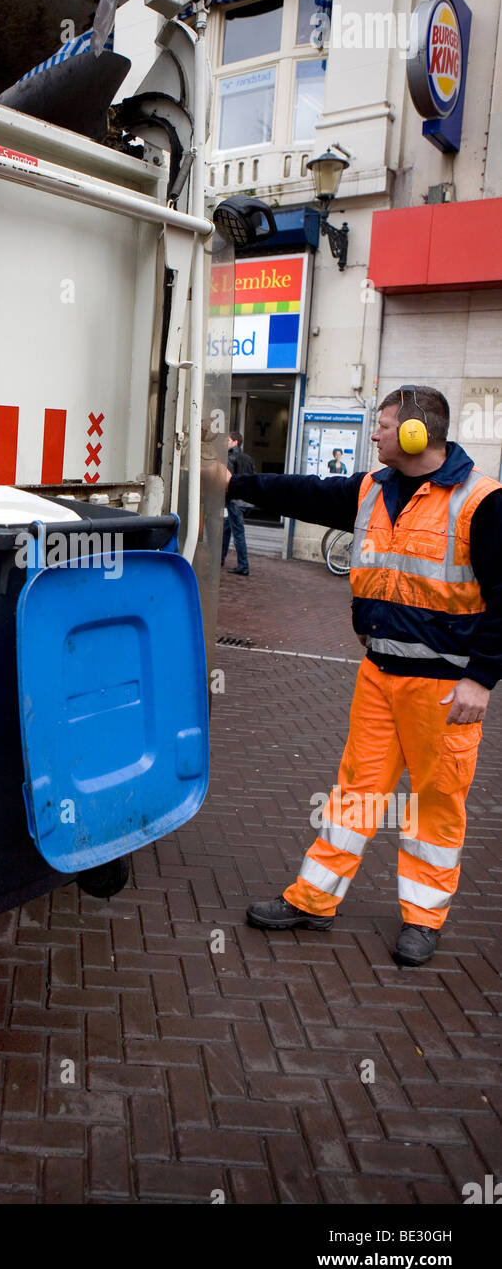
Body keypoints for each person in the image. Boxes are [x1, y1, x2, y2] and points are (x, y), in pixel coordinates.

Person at [219, 385, 502, 966]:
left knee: (435, 800)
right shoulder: (374, 488)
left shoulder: (481, 502)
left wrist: (482, 678)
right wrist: (235, 483)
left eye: (384, 424)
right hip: (378, 675)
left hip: (445, 687)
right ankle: (314, 900)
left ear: (418, 432)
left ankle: (423, 918)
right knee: (355, 792)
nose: (374, 434)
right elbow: (305, 492)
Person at [221, 431, 255, 576]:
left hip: (235, 501)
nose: (225, 443)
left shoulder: (230, 457)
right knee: (226, 528)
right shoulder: (249, 458)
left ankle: (243, 566)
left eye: (228, 440)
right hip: (246, 501)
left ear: (235, 442)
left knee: (238, 533)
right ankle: (220, 558)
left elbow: (227, 481)